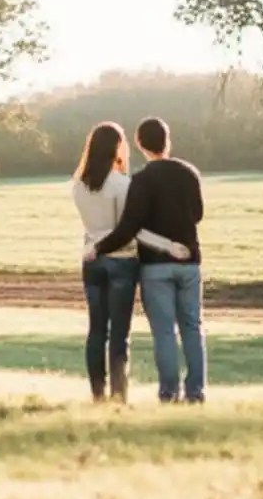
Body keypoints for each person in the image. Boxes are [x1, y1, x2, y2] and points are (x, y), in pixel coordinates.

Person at [87, 117, 207, 404]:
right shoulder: (189, 173)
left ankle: (169, 392)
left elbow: (129, 227)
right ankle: (196, 392)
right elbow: (198, 214)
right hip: (189, 262)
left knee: (164, 330)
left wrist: (99, 248)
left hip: (155, 266)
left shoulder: (140, 180)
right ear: (168, 140)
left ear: (140, 144)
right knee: (192, 326)